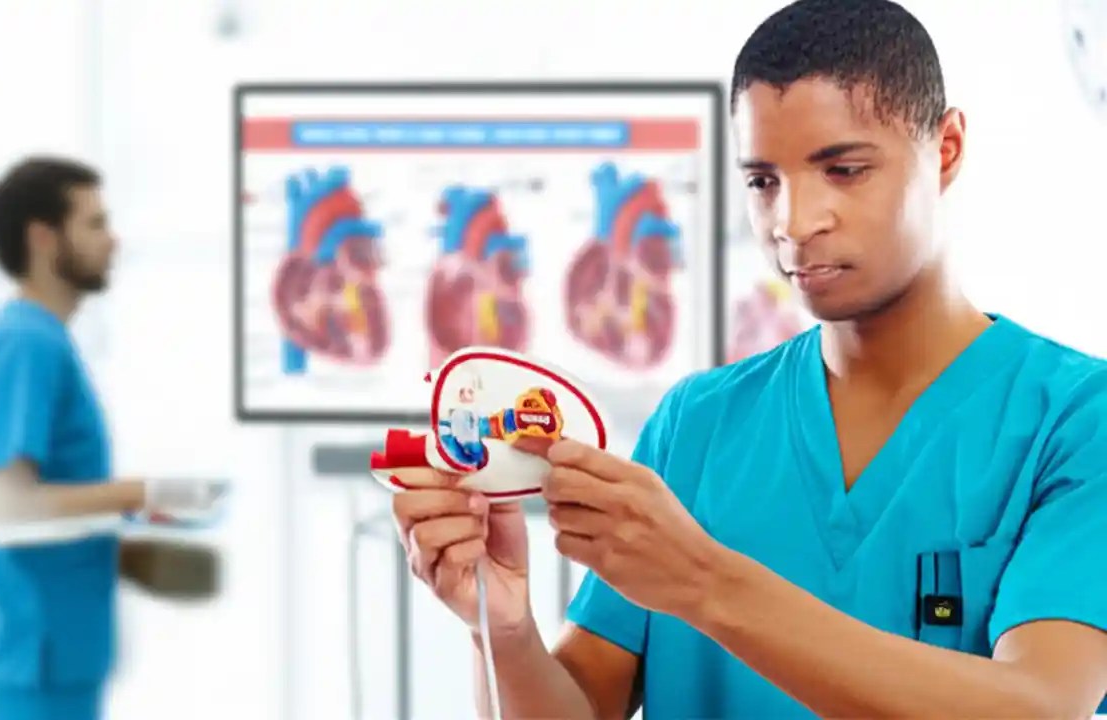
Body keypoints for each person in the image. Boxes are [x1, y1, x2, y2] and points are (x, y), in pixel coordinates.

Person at [391, 0, 1107, 716]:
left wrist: (702, 580)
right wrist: (506, 632)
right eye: (763, 181)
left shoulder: (1076, 421)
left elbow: (1040, 705)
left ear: (945, 148)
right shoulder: (697, 424)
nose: (793, 224)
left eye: (845, 170)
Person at [0, 157, 223, 719]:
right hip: (38, 655)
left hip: (55, 650)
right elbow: (8, 506)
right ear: (43, 238)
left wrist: (119, 550)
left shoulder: (42, 341)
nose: (113, 240)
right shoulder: (26, 346)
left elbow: (44, 506)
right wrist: (143, 493)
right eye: (95, 224)